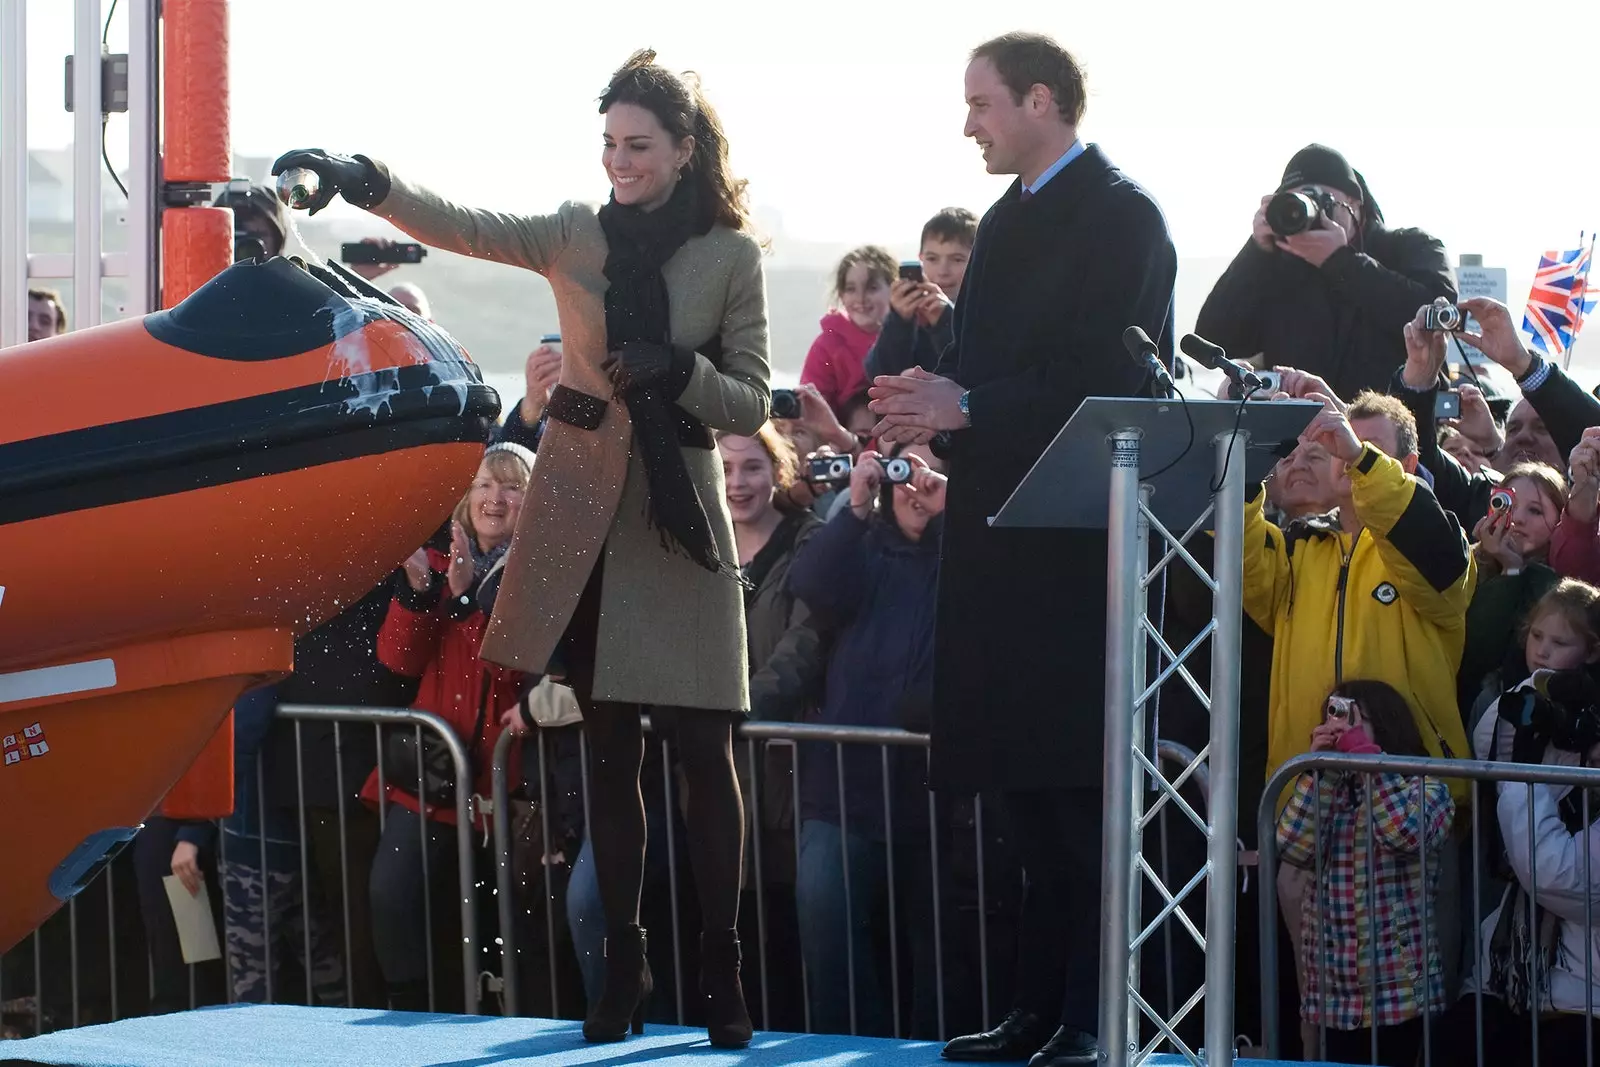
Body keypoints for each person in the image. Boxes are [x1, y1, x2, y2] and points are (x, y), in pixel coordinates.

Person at [275, 47, 768, 1048]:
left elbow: (753, 397)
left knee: (704, 752)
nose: (620, 163)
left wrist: (676, 370)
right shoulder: (571, 231)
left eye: (638, 147)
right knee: (609, 751)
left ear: (683, 150)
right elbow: (461, 223)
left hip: (678, 513)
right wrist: (362, 178)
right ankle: (623, 973)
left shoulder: (729, 254)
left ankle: (721, 970)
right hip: (583, 507)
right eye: (608, 146)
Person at [868, 32, 1176, 1067]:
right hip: (997, 537)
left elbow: (1103, 370)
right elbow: (977, 363)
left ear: (1040, 100)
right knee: (1019, 798)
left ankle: (1093, 1014)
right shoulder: (1002, 222)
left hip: (1074, 550)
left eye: (982, 104)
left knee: (1077, 796)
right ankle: (1035, 1008)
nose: (969, 125)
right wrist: (924, 401)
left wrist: (970, 403)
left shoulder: (1123, 215)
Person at [362, 444, 532, 1011]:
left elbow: (515, 670)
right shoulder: (436, 564)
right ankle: (406, 1016)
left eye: (509, 487)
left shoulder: (540, 570)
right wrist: (416, 595)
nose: (494, 498)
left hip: (506, 788)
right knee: (391, 894)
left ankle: (507, 1022)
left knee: (502, 922)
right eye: (483, 485)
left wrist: (463, 602)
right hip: (434, 779)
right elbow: (398, 661)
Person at [1245, 390, 1474, 807]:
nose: (1349, 454)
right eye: (1344, 443)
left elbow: (1439, 564)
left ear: (1406, 466)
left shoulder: (1435, 537)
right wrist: (1248, 459)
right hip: (1307, 807)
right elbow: (1238, 554)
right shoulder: (1300, 548)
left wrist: (1361, 458)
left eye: (1368, 447)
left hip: (1414, 808)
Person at [787, 445, 946, 1035]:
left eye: (933, 471)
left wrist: (953, 509)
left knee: (934, 958)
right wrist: (854, 508)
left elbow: (1000, 592)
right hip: (845, 787)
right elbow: (811, 585)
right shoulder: (864, 546)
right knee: (828, 934)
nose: (916, 487)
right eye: (906, 472)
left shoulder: (965, 553)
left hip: (935, 799)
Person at [1432, 580, 1600, 1064]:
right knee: (1457, 1042)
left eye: (1560, 643)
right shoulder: (1528, 690)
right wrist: (1537, 698)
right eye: (1536, 638)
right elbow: (1490, 744)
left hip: (1580, 986)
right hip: (1509, 961)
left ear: (1591, 652)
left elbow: (1556, 875)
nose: (1543, 651)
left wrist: (1535, 775)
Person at [1276, 681, 1454, 1067]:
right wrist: (1318, 772)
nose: (1344, 728)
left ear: (1388, 727)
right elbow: (1293, 847)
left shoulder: (1426, 787)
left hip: (1401, 994)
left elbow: (1403, 833)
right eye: (1337, 716)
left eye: (1357, 720)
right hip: (1335, 996)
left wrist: (1367, 759)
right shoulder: (1328, 790)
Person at [1195, 144, 1453, 400]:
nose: (1310, 214)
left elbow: (1437, 314)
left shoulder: (1408, 247)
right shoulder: (1277, 269)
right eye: (1295, 203)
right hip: (1303, 434)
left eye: (1322, 201)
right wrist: (1256, 252)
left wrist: (1341, 262)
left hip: (1392, 430)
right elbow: (1215, 338)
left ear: (1354, 202)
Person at [865, 207, 978, 380]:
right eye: (932, 259)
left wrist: (945, 321)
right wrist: (899, 321)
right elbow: (879, 374)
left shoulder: (985, 310)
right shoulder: (912, 313)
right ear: (921, 259)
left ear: (977, 260)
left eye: (957, 259)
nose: (943, 271)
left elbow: (975, 370)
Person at [800, 246, 895, 412]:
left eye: (872, 288)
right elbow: (812, 408)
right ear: (841, 295)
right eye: (851, 289)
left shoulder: (911, 337)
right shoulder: (827, 345)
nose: (860, 298)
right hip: (840, 435)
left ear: (893, 289)